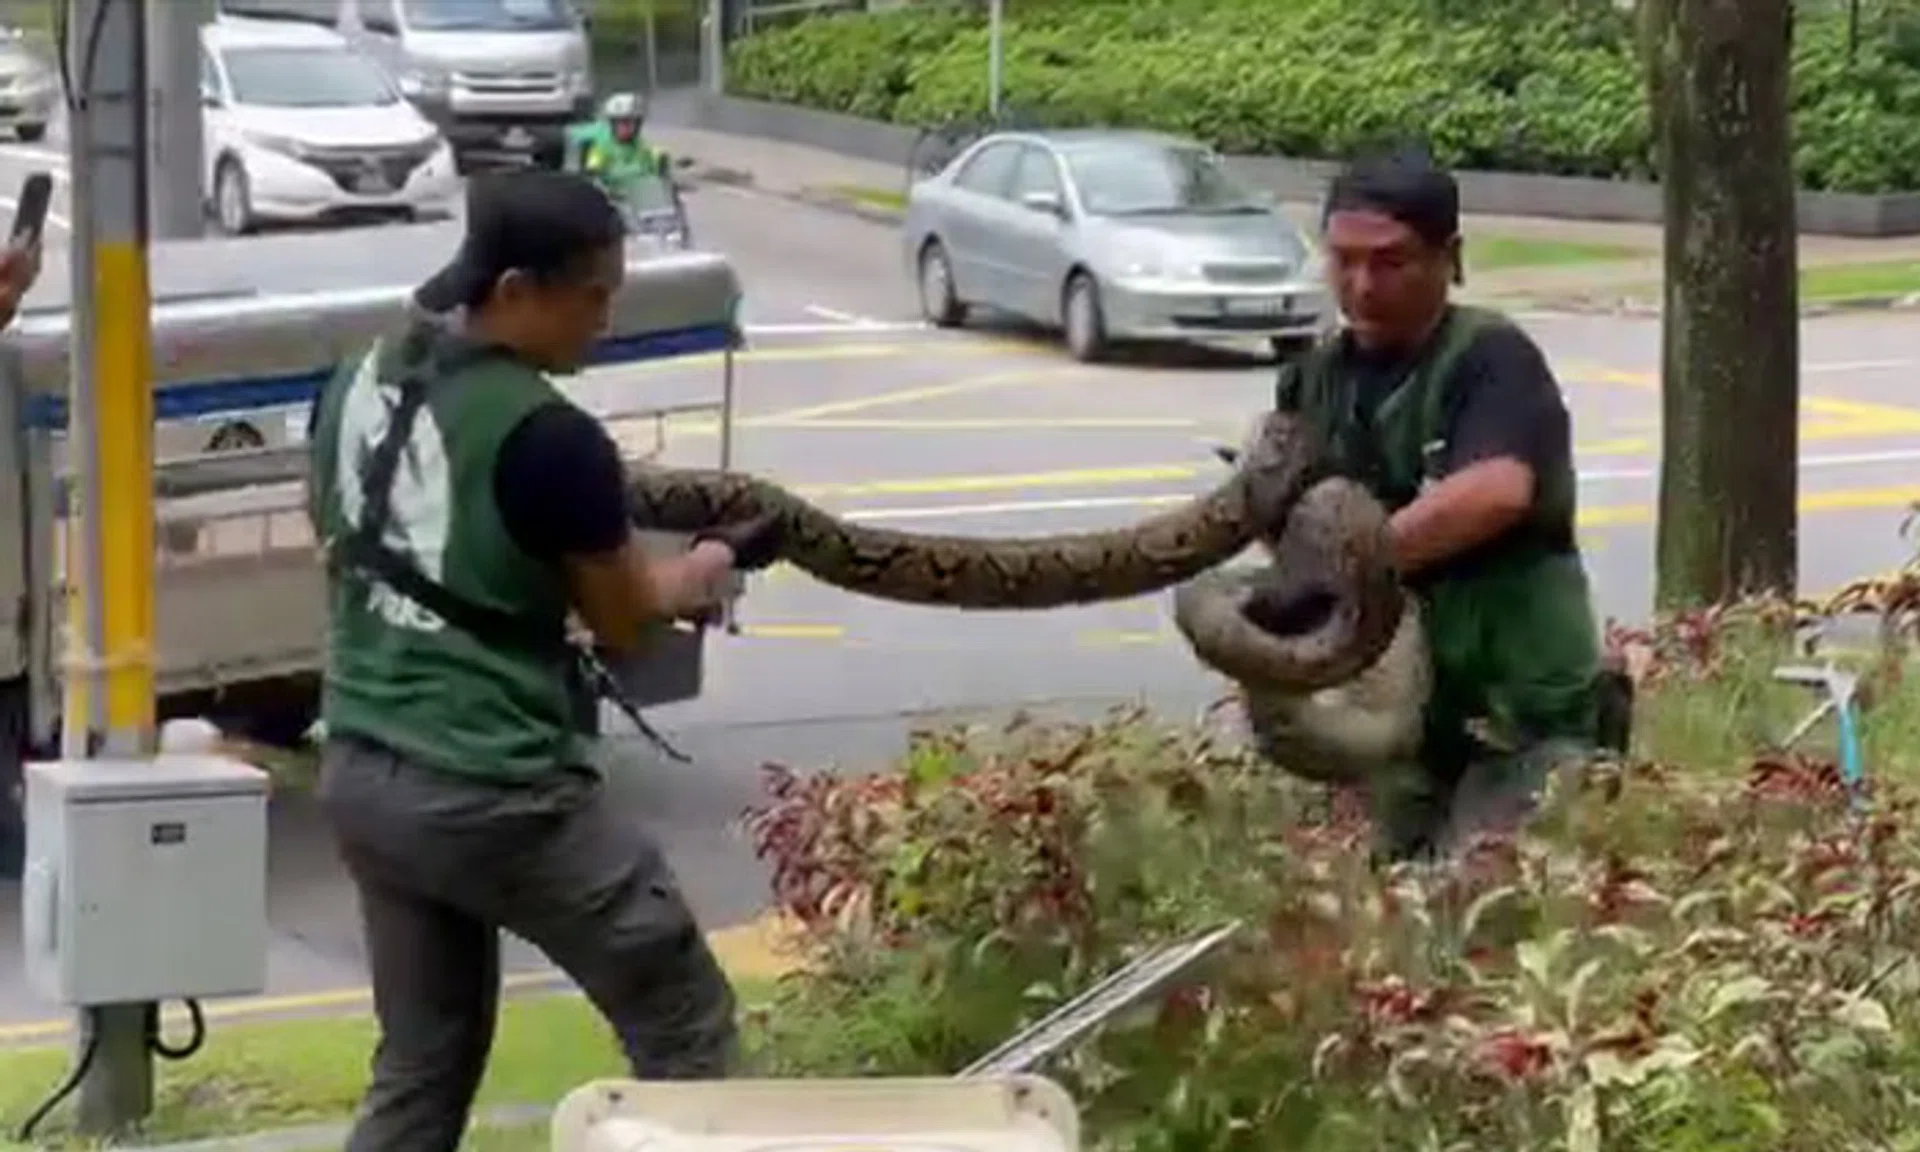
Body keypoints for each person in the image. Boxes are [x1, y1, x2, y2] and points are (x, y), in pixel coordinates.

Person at [303, 169, 783, 1152]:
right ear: (516, 290)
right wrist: (707, 564)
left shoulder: (352, 381)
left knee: (422, 1063)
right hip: (495, 787)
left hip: (361, 767)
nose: (606, 322)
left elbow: (347, 537)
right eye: (593, 296)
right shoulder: (554, 439)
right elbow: (625, 624)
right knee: (686, 1028)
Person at [1247, 146, 1610, 864]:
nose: (1361, 284)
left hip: (1520, 717)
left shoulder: (1492, 357)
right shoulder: (1313, 381)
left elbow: (1496, 492)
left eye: (1390, 261)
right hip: (1399, 724)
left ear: (1451, 258)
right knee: (1381, 911)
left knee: (1488, 907)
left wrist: (1346, 563)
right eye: (1342, 260)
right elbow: (1286, 525)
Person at [566, 91, 667, 191]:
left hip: (641, 199)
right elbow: (593, 172)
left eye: (635, 123)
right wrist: (594, 175)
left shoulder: (641, 146)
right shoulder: (602, 147)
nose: (631, 128)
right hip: (614, 201)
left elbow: (656, 168)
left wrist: (661, 162)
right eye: (625, 123)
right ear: (613, 123)